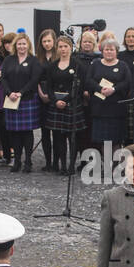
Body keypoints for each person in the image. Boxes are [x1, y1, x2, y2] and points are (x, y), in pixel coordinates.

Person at [41, 33, 85, 173]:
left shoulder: (77, 65)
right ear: (57, 48)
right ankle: (62, 166)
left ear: (71, 48)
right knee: (58, 138)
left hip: (72, 105)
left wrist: (65, 101)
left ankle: (71, 166)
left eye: (66, 46)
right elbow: (49, 86)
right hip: (56, 106)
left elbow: (79, 87)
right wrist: (55, 101)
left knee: (72, 139)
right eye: (60, 47)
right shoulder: (53, 66)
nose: (63, 49)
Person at [0, 33, 43, 172]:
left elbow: (34, 79)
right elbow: (4, 78)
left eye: (24, 44)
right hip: (11, 99)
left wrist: (21, 92)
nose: (22, 46)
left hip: (27, 99)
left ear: (28, 45)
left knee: (26, 132)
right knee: (14, 132)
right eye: (19, 44)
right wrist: (9, 93)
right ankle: (17, 161)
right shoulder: (8, 60)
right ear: (15, 45)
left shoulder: (33, 60)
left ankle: (28, 161)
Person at [87, 38, 131, 155]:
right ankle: (106, 168)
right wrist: (99, 89)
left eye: (112, 50)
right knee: (103, 142)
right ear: (102, 51)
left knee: (116, 141)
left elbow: (127, 82)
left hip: (116, 109)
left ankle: (115, 169)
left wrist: (114, 89)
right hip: (100, 109)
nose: (109, 52)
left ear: (116, 51)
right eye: (106, 49)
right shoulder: (95, 64)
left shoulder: (123, 66)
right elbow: (89, 80)